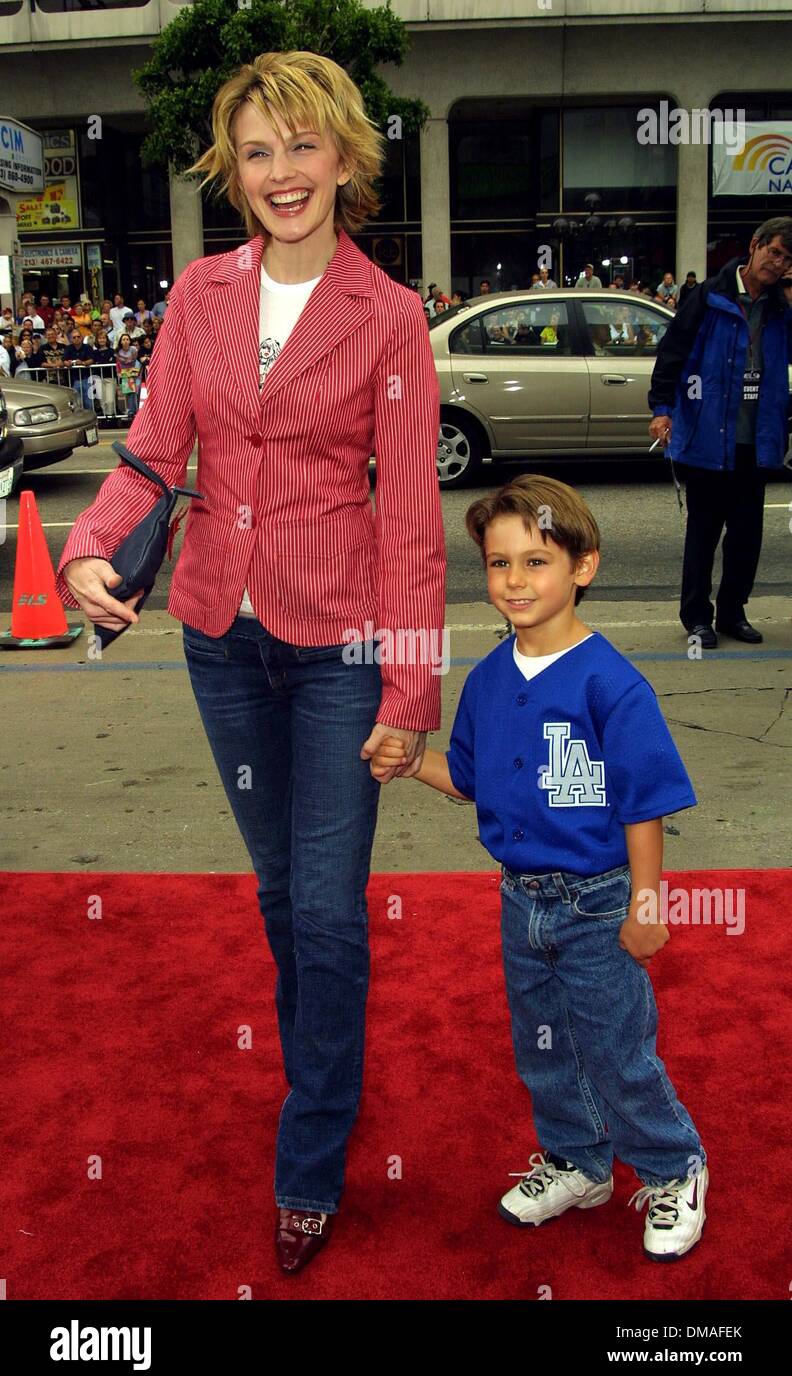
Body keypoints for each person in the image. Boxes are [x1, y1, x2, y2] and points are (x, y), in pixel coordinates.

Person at [54, 48, 445, 1278]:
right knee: (283, 898)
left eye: (303, 147)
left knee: (327, 909)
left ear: (344, 159)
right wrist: (93, 546)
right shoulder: (197, 296)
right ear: (237, 172)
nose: (283, 173)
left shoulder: (387, 316)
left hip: (340, 648)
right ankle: (324, 1065)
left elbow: (413, 521)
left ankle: (311, 1158)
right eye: (258, 152)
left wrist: (410, 689)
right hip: (220, 637)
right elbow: (150, 451)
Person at [372, 474, 709, 1262]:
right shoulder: (488, 679)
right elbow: (473, 782)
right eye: (498, 564)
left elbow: (644, 804)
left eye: (536, 562)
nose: (515, 582)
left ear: (583, 566)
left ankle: (672, 1168)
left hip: (597, 899)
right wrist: (411, 762)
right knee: (544, 1046)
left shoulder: (612, 684)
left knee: (617, 1047)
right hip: (519, 899)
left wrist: (647, 905)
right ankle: (580, 1161)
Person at [649, 216, 792, 645]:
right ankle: (697, 617)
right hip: (709, 438)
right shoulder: (708, 296)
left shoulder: (781, 307)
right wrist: (662, 408)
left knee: (746, 538)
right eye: (775, 252)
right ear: (755, 245)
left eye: (787, 259)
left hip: (756, 440)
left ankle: (733, 612)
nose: (778, 263)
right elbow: (672, 353)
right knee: (704, 534)